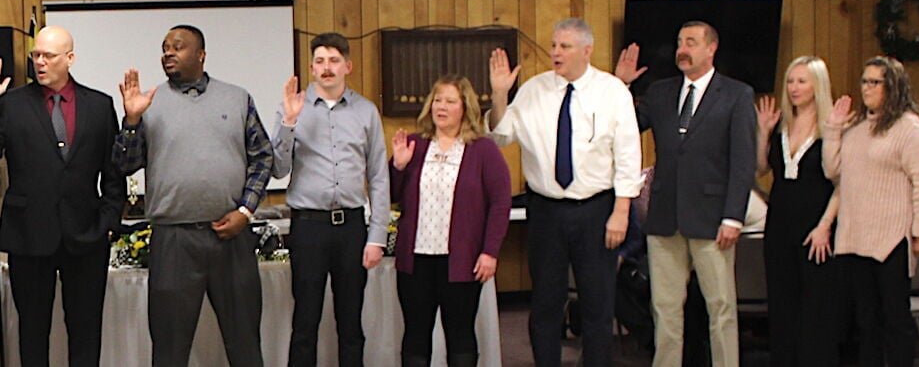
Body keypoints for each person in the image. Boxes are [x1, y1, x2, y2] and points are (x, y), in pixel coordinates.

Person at [487, 18, 644, 367]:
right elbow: (499, 135)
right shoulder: (534, 89)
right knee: (545, 302)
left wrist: (621, 212)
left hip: (596, 209)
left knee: (597, 304)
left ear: (587, 51)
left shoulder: (612, 91)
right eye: (554, 46)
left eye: (565, 46)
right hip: (546, 210)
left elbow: (628, 155)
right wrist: (499, 95)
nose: (556, 52)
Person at [114, 24, 274, 367]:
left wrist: (245, 211)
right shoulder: (148, 103)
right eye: (164, 48)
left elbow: (263, 157)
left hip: (231, 237)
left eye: (178, 46)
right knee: (169, 350)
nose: (168, 53)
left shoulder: (237, 98)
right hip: (173, 240)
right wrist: (132, 120)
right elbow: (124, 165)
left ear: (201, 55)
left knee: (245, 343)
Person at [0, 26, 124, 367]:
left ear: (70, 58)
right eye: (36, 55)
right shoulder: (12, 104)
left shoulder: (99, 105)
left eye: (48, 56)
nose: (39, 62)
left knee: (86, 329)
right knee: (32, 333)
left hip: (87, 234)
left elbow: (113, 173)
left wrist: (110, 220)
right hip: (29, 234)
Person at [619, 20, 757, 367]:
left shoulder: (737, 95)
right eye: (680, 42)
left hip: (712, 218)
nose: (682, 49)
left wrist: (733, 217)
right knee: (664, 308)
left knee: (720, 307)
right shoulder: (660, 92)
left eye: (691, 42)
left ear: (711, 48)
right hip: (665, 216)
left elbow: (743, 162)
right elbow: (624, 126)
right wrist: (621, 86)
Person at [807, 56, 919, 367]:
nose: (867, 88)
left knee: (895, 321)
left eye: (875, 82)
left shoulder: (908, 127)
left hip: (891, 238)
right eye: (864, 81)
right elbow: (833, 171)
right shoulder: (857, 129)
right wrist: (833, 130)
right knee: (866, 323)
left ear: (892, 86)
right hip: (855, 238)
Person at [273, 32, 388, 367]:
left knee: (351, 322)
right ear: (311, 67)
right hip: (309, 227)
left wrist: (377, 236)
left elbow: (379, 176)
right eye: (320, 61)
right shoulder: (291, 108)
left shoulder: (366, 111)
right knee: (305, 322)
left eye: (334, 61)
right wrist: (289, 122)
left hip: (351, 226)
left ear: (347, 66)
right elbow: (278, 169)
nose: (327, 68)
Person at [386, 75, 510, 367]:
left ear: (465, 108)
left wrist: (490, 251)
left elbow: (500, 203)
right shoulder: (415, 144)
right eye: (437, 100)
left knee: (460, 334)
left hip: (461, 262)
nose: (441, 107)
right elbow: (391, 195)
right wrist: (398, 166)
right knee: (415, 334)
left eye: (450, 101)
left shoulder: (483, 149)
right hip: (416, 260)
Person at [753, 56, 839, 367]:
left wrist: (825, 226)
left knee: (816, 307)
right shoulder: (783, 126)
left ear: (818, 85)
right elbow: (762, 168)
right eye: (790, 81)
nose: (794, 88)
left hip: (816, 227)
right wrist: (763, 132)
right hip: (780, 225)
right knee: (781, 303)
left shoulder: (832, 128)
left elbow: (842, 184)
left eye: (802, 81)